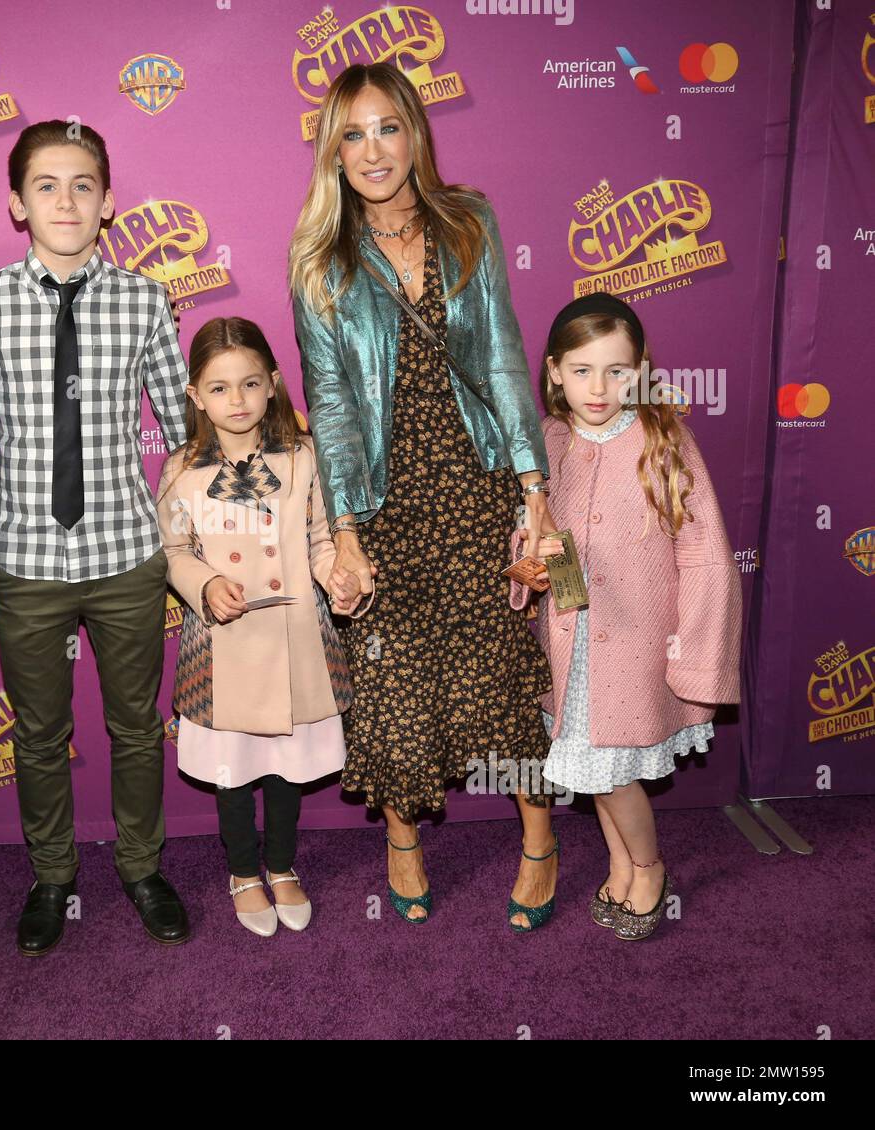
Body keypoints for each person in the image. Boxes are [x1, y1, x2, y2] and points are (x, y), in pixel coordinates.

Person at [289, 62, 560, 929]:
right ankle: (402, 843)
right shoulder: (319, 262)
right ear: (333, 150)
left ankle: (540, 840)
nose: (373, 150)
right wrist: (346, 531)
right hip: (383, 498)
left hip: (473, 483)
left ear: (416, 133)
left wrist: (534, 490)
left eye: (388, 128)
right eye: (353, 133)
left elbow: (507, 360)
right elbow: (329, 405)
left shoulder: (467, 221)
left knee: (500, 672)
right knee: (393, 678)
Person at [0, 120, 191, 957]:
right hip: (24, 561)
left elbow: (185, 426)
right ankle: (52, 874)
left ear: (109, 202)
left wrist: (196, 527)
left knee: (135, 726)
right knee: (39, 733)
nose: (66, 200)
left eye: (83, 184)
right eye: (45, 185)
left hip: (129, 558)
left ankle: (141, 866)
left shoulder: (146, 300)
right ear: (17, 204)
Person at [509, 293, 741, 940]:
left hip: (640, 646)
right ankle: (621, 862)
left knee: (612, 774)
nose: (599, 387)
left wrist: (694, 654)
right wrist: (525, 565)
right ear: (554, 371)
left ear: (640, 369)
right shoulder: (548, 443)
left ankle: (651, 865)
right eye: (582, 370)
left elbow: (706, 556)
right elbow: (527, 533)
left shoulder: (665, 441)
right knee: (594, 772)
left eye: (617, 370)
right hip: (570, 642)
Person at [155, 317, 367, 936]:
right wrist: (201, 585)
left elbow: (324, 539)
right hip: (224, 650)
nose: (237, 400)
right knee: (232, 770)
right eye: (219, 389)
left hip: (298, 638)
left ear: (274, 383)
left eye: (250, 384)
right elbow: (173, 552)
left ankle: (281, 865)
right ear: (195, 396)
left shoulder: (303, 460)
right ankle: (243, 872)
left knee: (285, 768)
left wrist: (342, 578)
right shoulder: (181, 470)